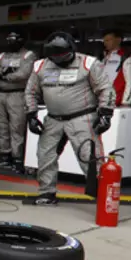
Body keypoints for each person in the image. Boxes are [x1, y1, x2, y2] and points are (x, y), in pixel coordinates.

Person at [23, 31, 114, 206]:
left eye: (62, 55)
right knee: (45, 155)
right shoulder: (40, 66)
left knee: (90, 157)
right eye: (54, 56)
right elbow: (30, 92)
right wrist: (31, 115)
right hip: (53, 119)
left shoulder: (88, 63)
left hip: (82, 117)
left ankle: (102, 196)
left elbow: (105, 89)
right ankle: (46, 193)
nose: (58, 59)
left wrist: (105, 113)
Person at [0, 32, 37, 172]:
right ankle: (4, 158)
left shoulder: (28, 55)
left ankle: (17, 160)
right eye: (9, 40)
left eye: (13, 40)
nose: (10, 43)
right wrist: (3, 71)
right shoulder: (2, 55)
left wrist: (3, 76)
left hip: (17, 94)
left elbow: (24, 74)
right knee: (1, 127)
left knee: (17, 127)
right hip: (0, 94)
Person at [97, 29, 131, 107]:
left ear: (118, 40)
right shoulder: (104, 59)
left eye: (108, 40)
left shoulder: (128, 59)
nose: (105, 43)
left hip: (117, 104)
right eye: (104, 40)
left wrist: (126, 103)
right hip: (102, 102)